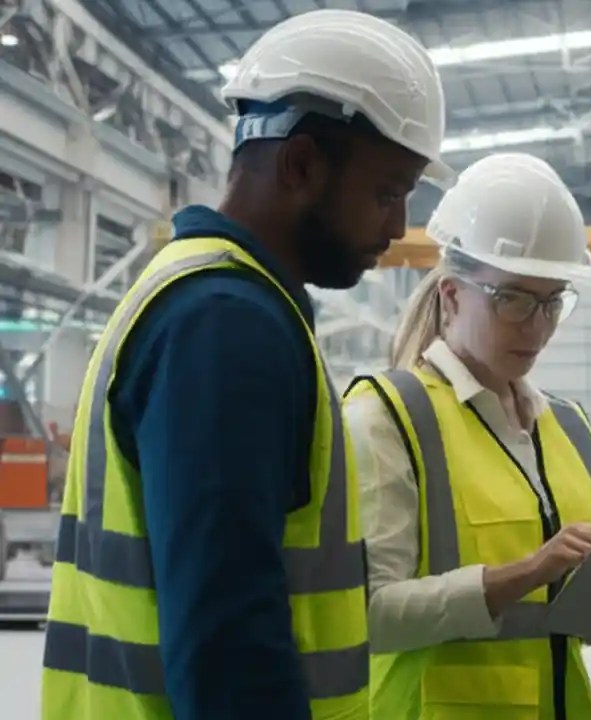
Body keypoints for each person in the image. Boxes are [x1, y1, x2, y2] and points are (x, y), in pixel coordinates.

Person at [40, 9, 451, 720]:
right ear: (298, 165)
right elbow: (229, 636)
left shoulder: (210, 298)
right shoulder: (224, 323)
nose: (396, 227)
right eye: (388, 193)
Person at [343, 152, 591, 720]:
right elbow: (363, 614)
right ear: (451, 295)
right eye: (511, 299)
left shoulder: (566, 427)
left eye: (551, 302)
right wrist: (524, 573)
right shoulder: (388, 418)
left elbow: (556, 620)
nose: (536, 326)